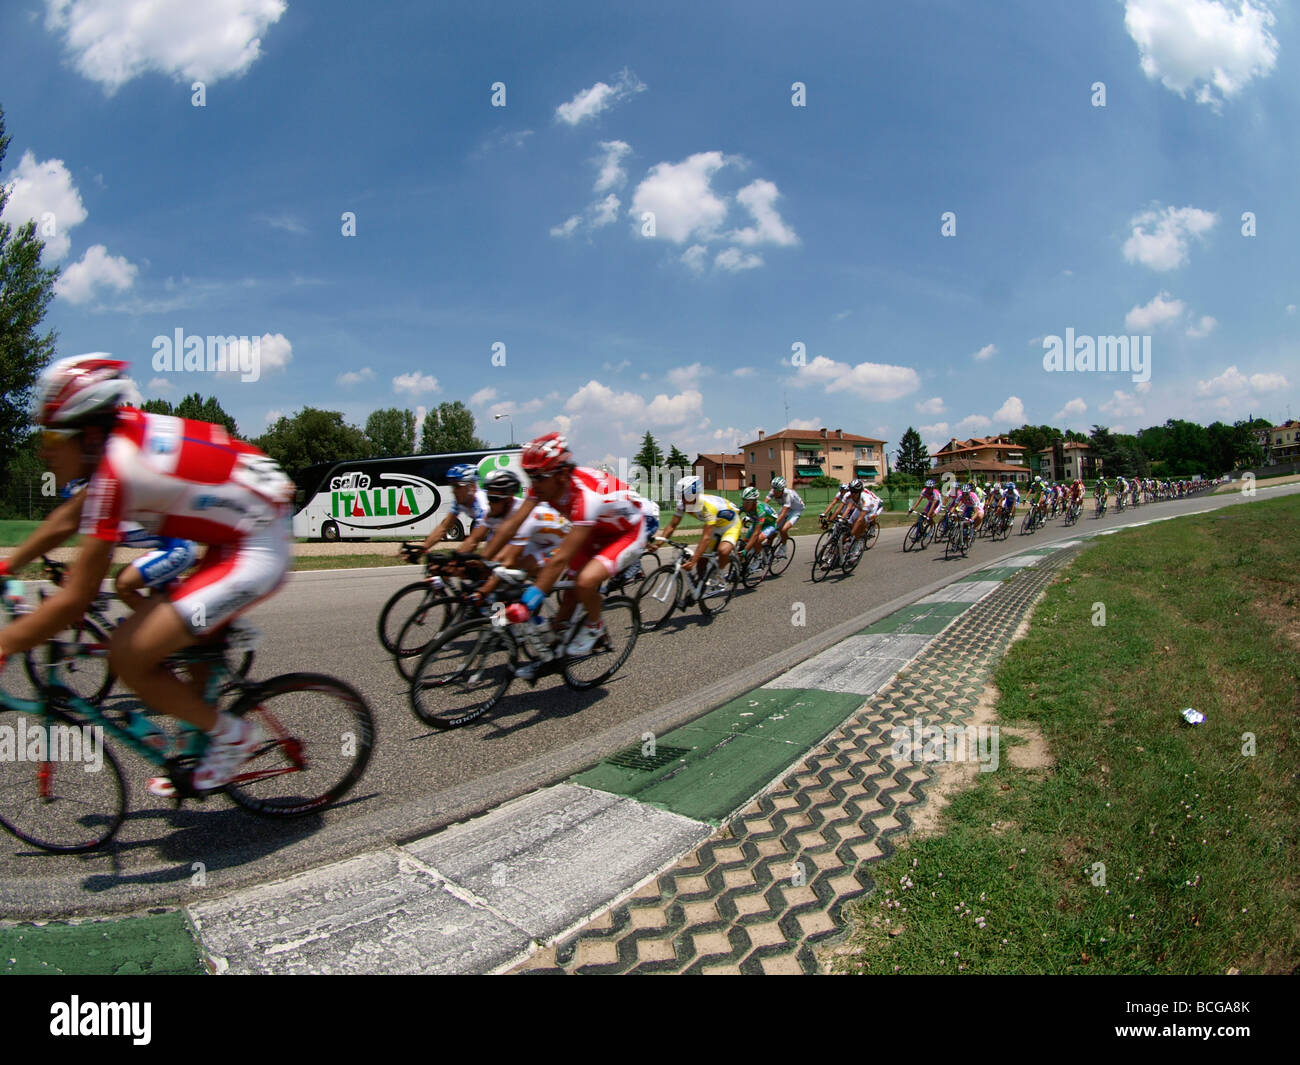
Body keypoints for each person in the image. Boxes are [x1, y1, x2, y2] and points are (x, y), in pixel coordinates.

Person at [0, 355, 295, 796]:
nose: (43, 448)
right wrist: (7, 565)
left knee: (129, 654)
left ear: (89, 436)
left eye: (50, 435)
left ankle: (234, 737)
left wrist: (6, 642)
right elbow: (65, 520)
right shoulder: (118, 444)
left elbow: (75, 601)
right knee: (171, 642)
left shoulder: (118, 471)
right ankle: (199, 742)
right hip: (237, 529)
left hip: (256, 544)